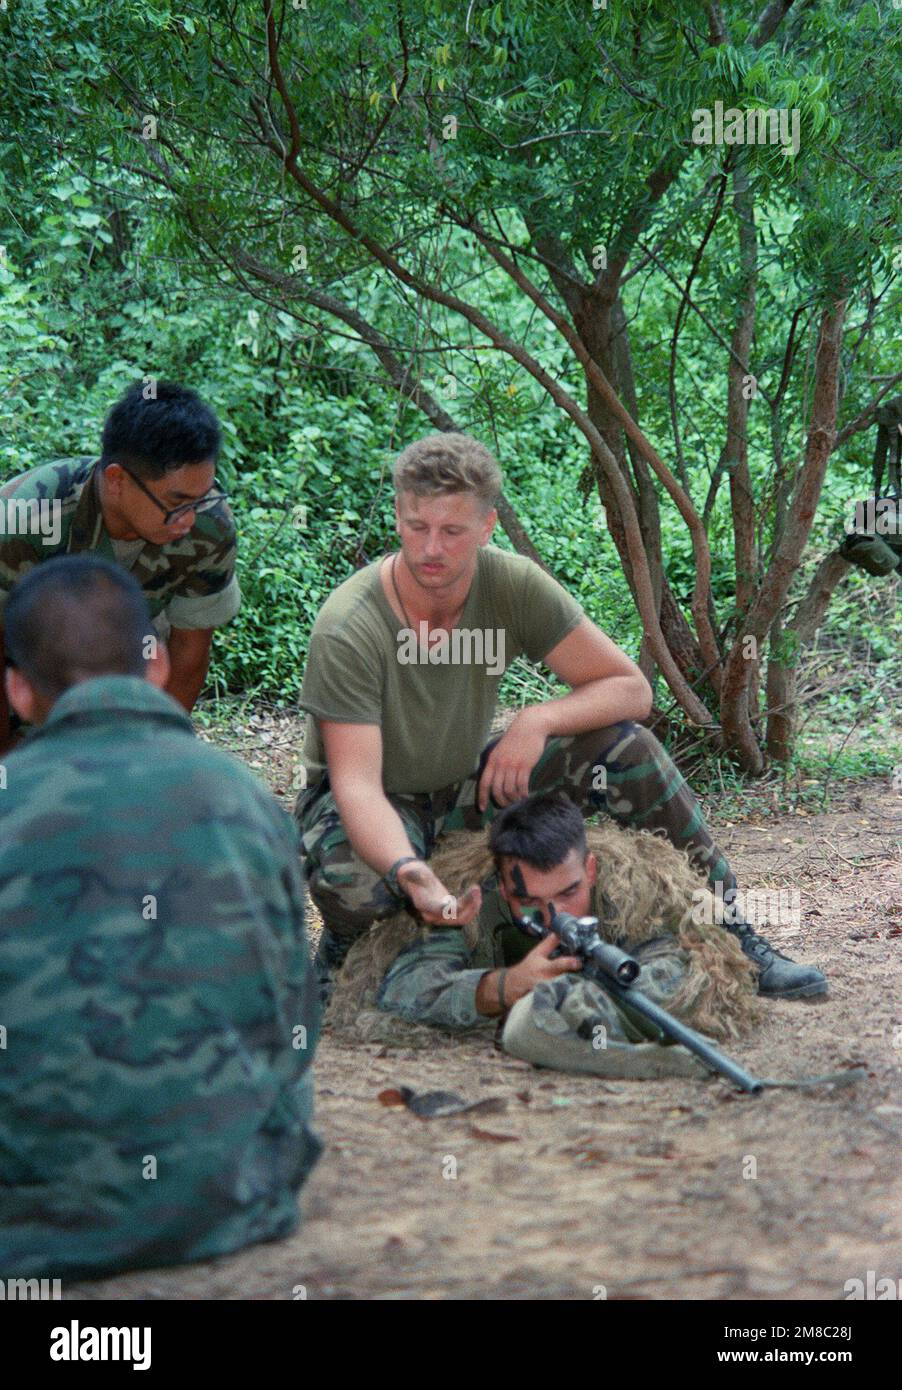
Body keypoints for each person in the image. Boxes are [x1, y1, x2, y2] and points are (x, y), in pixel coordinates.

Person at [295, 431, 826, 1002]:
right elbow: (356, 786)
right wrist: (408, 870)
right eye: (417, 527)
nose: (432, 549)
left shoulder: (510, 584)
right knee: (362, 884)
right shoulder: (350, 624)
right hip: (373, 796)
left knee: (628, 748)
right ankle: (349, 943)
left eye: (452, 531)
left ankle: (732, 932)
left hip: (468, 783)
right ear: (397, 518)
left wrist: (538, 720)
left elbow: (629, 688)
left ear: (486, 527)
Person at [0, 556, 320, 1279]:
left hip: (29, 1221)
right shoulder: (247, 801)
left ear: (18, 690)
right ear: (154, 664)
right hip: (227, 1201)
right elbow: (294, 1018)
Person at [353, 791, 762, 1079]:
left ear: (590, 870)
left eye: (569, 892)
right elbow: (404, 990)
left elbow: (684, 965)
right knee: (525, 1029)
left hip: (597, 997)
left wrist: (576, 997)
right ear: (502, 884)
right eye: (528, 899)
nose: (554, 915)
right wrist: (504, 987)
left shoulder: (630, 888)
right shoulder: (472, 900)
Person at [0, 379, 240, 751]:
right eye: (177, 502)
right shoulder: (23, 519)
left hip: (127, 690)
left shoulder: (210, 524)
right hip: (25, 685)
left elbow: (189, 653)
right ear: (116, 480)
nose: (189, 519)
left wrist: (149, 753)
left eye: (202, 497)